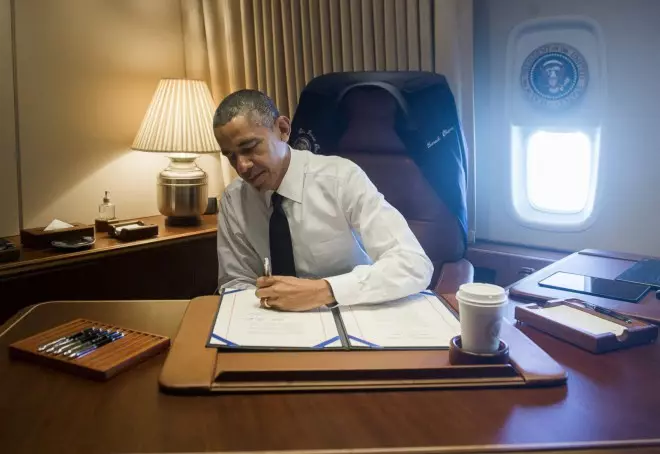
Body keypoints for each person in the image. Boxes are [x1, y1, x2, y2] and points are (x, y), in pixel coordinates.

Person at [213, 89, 432, 311]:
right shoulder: (234, 199)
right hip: (273, 324)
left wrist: (325, 290)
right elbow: (235, 284)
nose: (241, 166)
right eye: (230, 156)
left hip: (351, 314)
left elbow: (413, 264)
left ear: (283, 129)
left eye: (249, 148)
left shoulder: (341, 178)